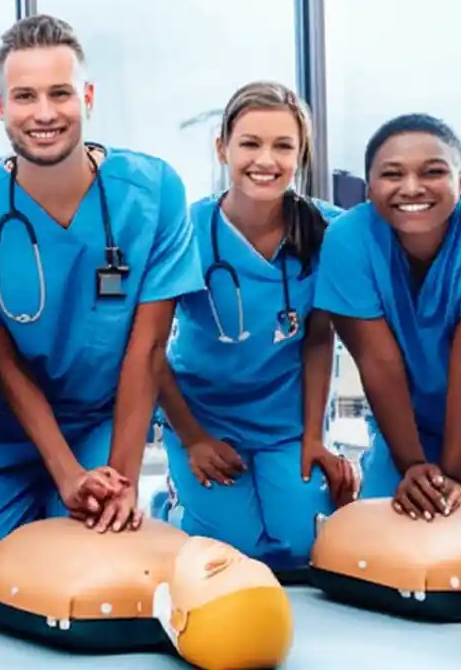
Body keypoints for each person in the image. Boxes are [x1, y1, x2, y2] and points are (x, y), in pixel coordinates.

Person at [0, 14, 204, 591]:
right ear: (0, 107)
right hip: (7, 428)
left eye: (60, 93)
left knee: (99, 559)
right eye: (25, 96)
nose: (44, 113)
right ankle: (47, 494)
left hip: (100, 418)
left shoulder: (155, 191)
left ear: (86, 96)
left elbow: (147, 350)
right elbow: (2, 362)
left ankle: (133, 507)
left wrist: (124, 480)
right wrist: (65, 474)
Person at [149, 81, 357, 571]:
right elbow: (151, 348)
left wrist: (313, 436)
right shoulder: (186, 232)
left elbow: (318, 339)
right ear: (223, 148)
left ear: (301, 154)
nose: (266, 159)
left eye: (283, 146)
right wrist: (193, 437)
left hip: (284, 423)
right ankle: (168, 504)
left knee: (301, 552)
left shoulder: (328, 231)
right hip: (203, 416)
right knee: (231, 553)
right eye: (250, 143)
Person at [315, 113, 461, 520]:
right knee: (376, 548)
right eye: (392, 174)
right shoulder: (348, 240)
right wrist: (411, 465)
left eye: (433, 172)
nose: (412, 187)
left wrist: (451, 482)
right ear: (369, 187)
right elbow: (378, 363)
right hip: (410, 423)